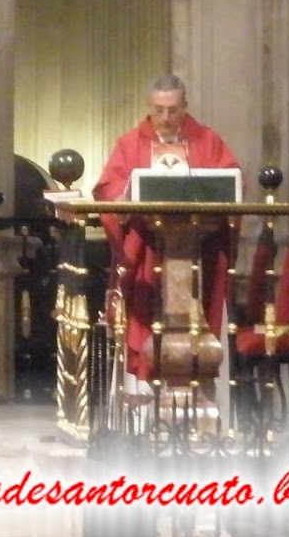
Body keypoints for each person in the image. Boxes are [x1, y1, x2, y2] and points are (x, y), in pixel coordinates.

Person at [92, 74, 238, 382]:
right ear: (149, 106)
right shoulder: (131, 143)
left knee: (198, 326)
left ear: (185, 106)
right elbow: (108, 190)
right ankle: (143, 409)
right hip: (147, 256)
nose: (166, 118)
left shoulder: (207, 141)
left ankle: (199, 399)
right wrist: (126, 193)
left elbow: (232, 184)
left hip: (200, 258)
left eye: (173, 109)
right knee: (145, 323)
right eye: (158, 109)